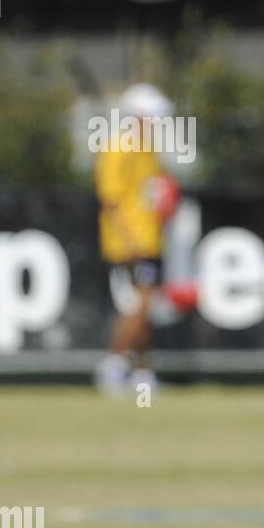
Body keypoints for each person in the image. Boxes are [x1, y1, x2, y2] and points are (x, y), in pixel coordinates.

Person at [94, 83, 177, 395]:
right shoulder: (120, 146)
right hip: (131, 243)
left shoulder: (147, 149)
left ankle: (142, 374)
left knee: (145, 307)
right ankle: (114, 364)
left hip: (149, 239)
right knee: (140, 304)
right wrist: (128, 241)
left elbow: (151, 195)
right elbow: (111, 200)